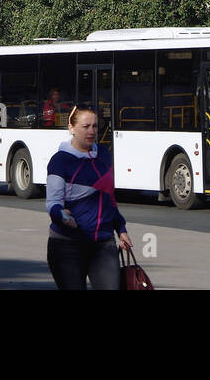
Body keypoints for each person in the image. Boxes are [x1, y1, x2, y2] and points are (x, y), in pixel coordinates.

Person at [45, 105, 132, 290]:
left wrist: (121, 228)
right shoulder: (60, 161)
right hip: (67, 245)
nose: (91, 131)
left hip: (103, 243)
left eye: (95, 126)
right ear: (72, 128)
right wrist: (61, 215)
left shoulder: (104, 155)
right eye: (86, 126)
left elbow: (109, 197)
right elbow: (52, 203)